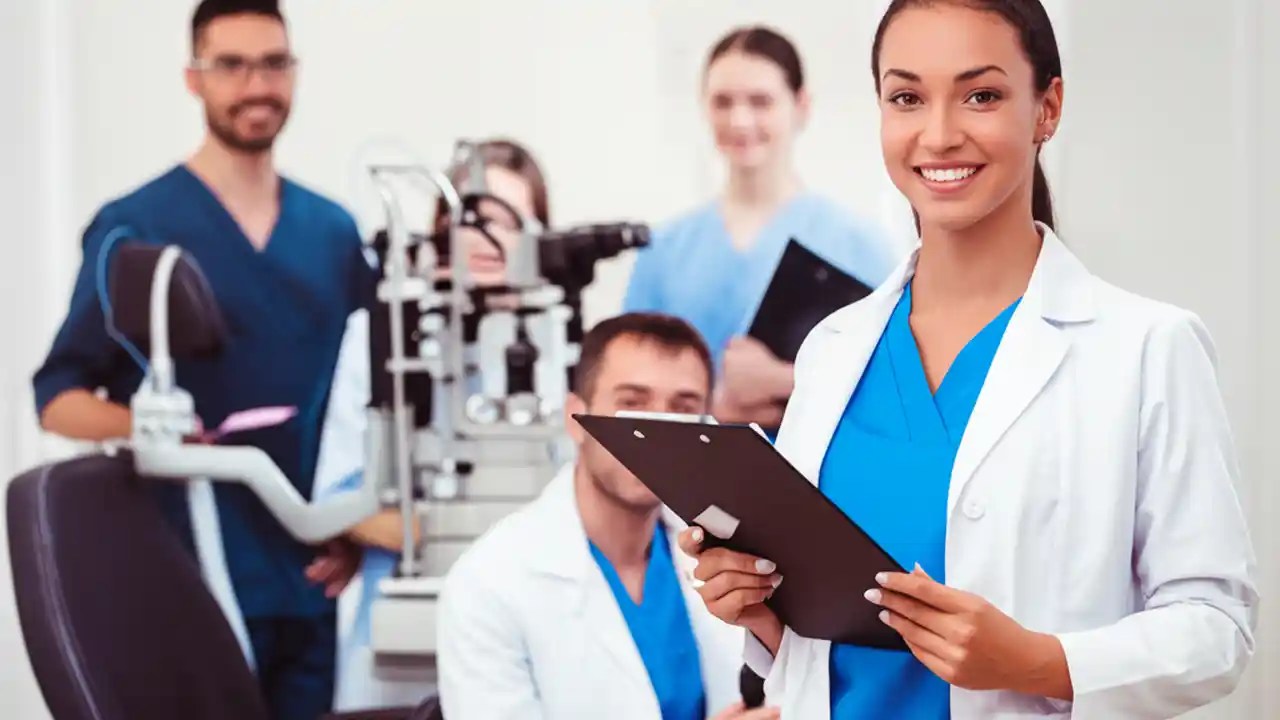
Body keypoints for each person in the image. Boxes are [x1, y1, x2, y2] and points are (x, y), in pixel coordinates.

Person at [679, 1, 1259, 718]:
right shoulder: (833, 349)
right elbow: (822, 646)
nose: (939, 133)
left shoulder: (1146, 349)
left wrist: (1035, 660)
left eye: (980, 95)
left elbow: (1216, 628)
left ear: (1047, 108)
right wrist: (760, 611)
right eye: (907, 98)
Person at [31, 2, 369, 718]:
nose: (257, 85)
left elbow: (366, 401)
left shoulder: (334, 233)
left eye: (274, 64)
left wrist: (353, 531)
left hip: (306, 583)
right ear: (194, 78)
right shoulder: (136, 228)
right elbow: (57, 398)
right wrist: (152, 427)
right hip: (185, 576)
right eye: (232, 65)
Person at [311, 138, 564, 711]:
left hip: (528, 629)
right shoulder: (383, 336)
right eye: (474, 219)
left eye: (510, 221)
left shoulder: (558, 347)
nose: (488, 239)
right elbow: (340, 499)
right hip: (405, 634)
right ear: (443, 229)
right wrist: (461, 526)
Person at [436, 313, 779, 720]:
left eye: (682, 409)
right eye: (631, 404)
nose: (656, 432)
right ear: (576, 418)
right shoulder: (488, 582)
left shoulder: (730, 555)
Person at [623, 25, 903, 429]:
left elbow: (896, 387)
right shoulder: (664, 248)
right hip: (686, 460)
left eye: (760, 102)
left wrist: (782, 380)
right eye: (723, 102)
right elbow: (631, 383)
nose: (740, 120)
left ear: (801, 106)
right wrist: (711, 411)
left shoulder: (859, 245)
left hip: (815, 463)